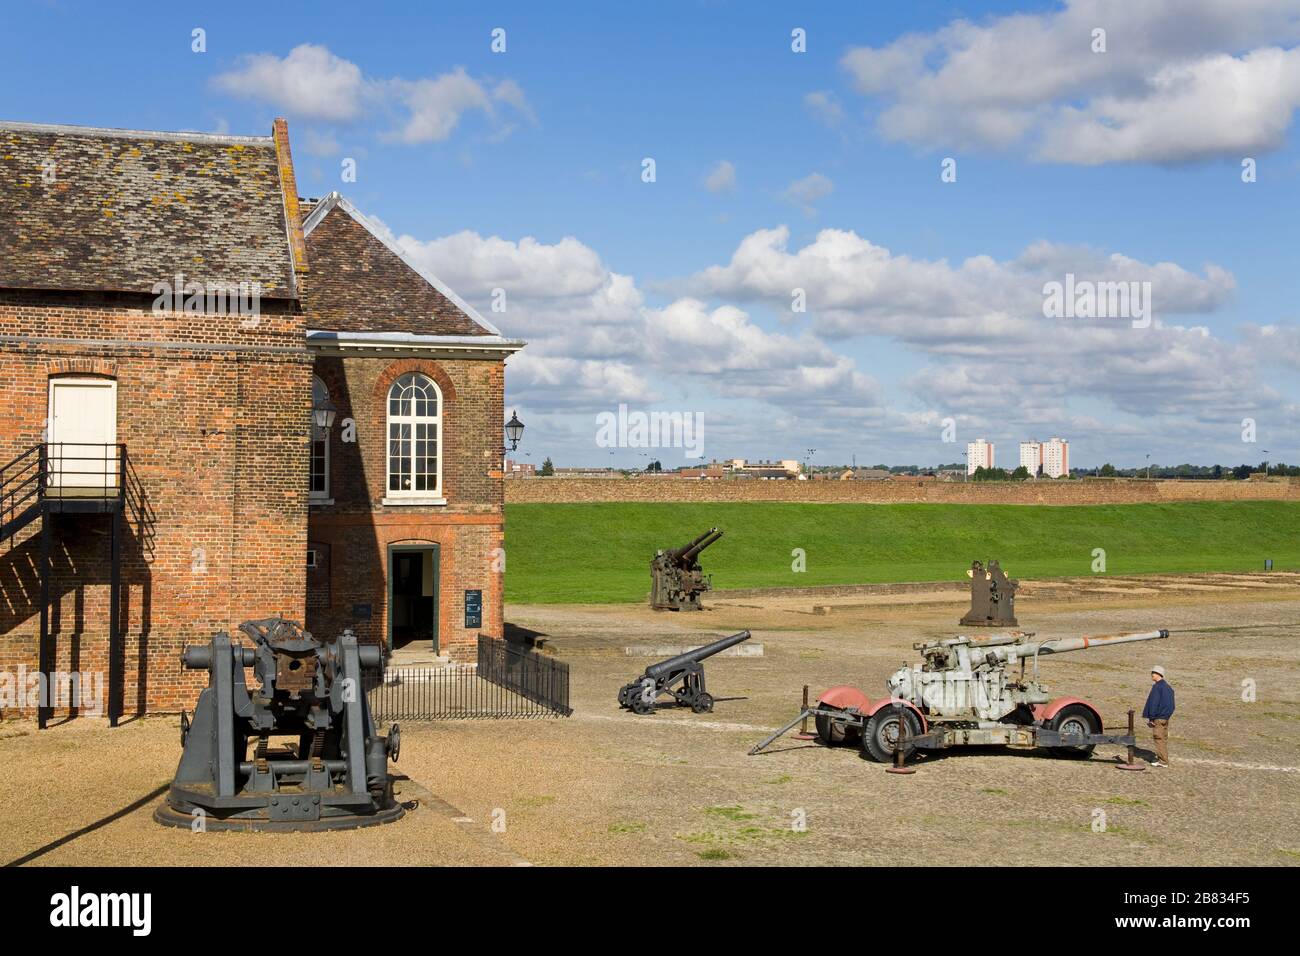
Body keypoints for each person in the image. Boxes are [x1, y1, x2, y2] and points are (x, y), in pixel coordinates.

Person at [1142, 665, 1175, 767]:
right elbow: (1172, 705)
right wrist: (1166, 716)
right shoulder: (1168, 688)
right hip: (1165, 718)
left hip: (1158, 718)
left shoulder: (1157, 687)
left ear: (1158, 674)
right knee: (1163, 739)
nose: (1151, 675)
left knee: (1159, 739)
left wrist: (1152, 718)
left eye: (1153, 673)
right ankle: (1163, 759)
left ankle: (1163, 761)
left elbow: (1153, 703)